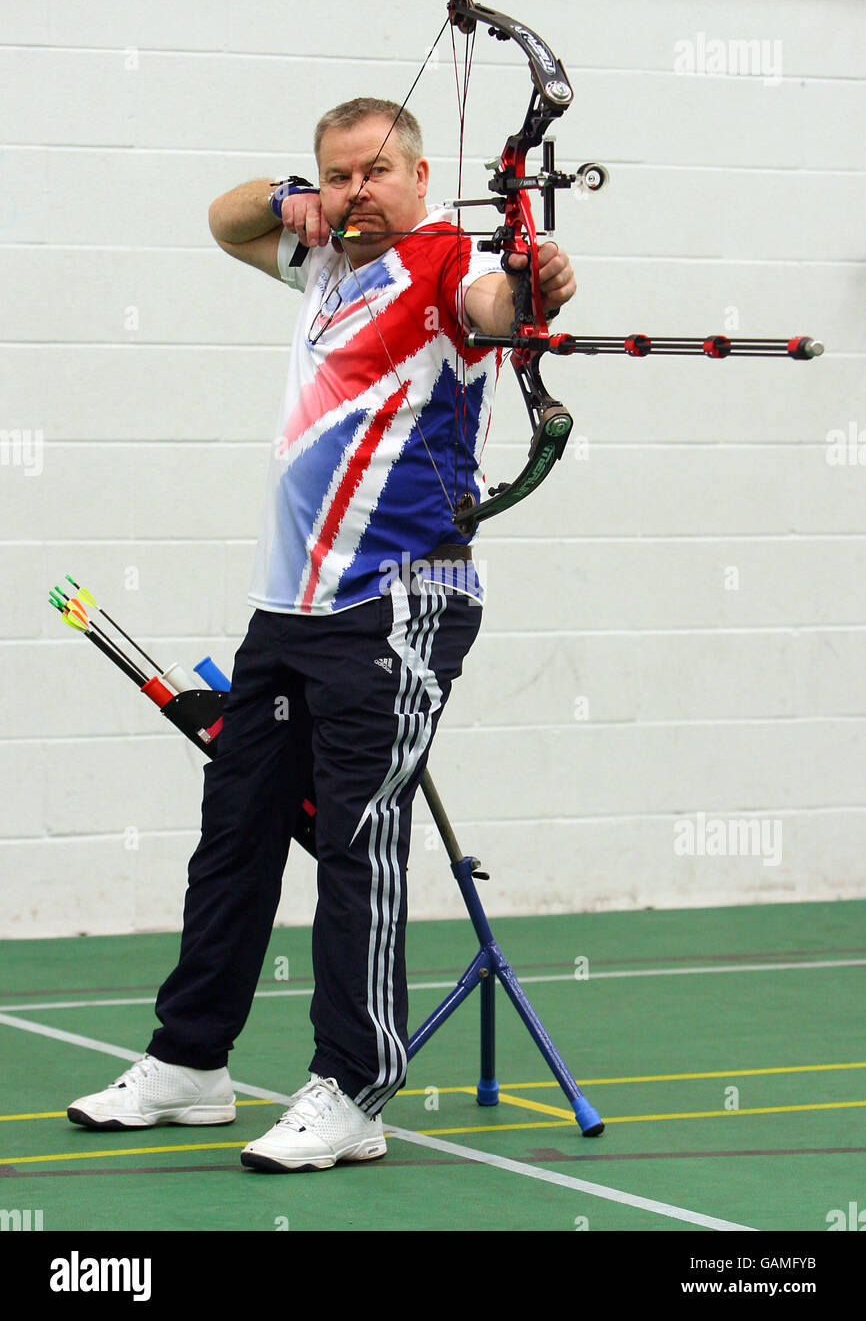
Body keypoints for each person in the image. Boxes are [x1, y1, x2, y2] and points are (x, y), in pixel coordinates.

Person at [67, 97, 577, 1172]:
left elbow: (496, 306)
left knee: (356, 844)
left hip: (393, 607)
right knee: (236, 831)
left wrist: (531, 283)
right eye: (339, 174)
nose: (359, 190)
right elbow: (225, 219)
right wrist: (293, 203)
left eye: (378, 171)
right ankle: (190, 1061)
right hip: (287, 610)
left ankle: (353, 1086)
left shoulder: (443, 261)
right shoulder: (326, 267)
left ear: (421, 173)